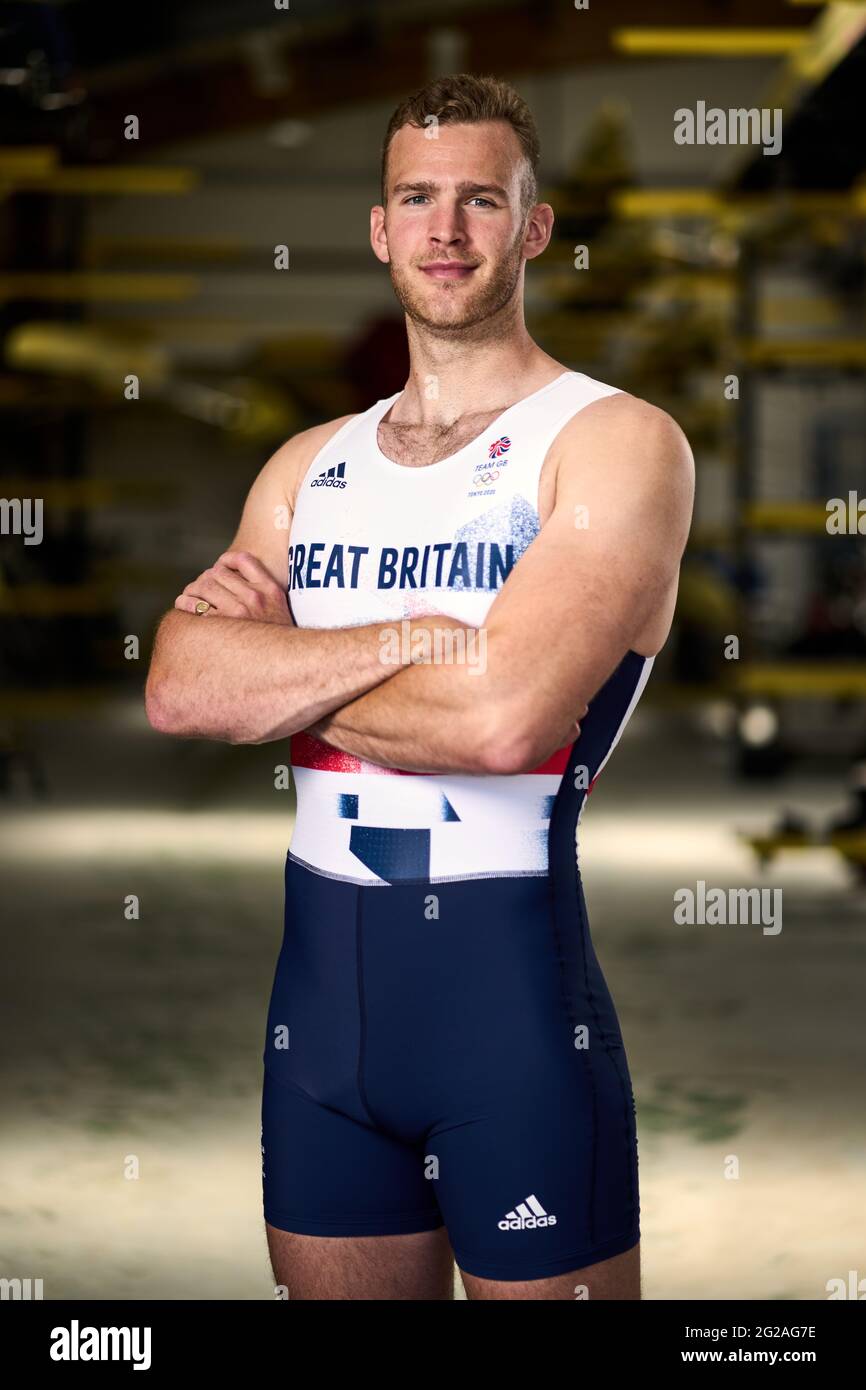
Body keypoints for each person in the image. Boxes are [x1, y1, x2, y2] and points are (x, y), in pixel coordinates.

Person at [145, 73, 694, 1301]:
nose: (445, 231)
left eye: (479, 201)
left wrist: (274, 681)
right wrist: (419, 640)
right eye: (415, 199)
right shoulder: (307, 468)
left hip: (510, 1029)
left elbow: (504, 723)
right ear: (380, 229)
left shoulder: (611, 443)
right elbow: (180, 687)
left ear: (533, 227)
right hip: (318, 1041)